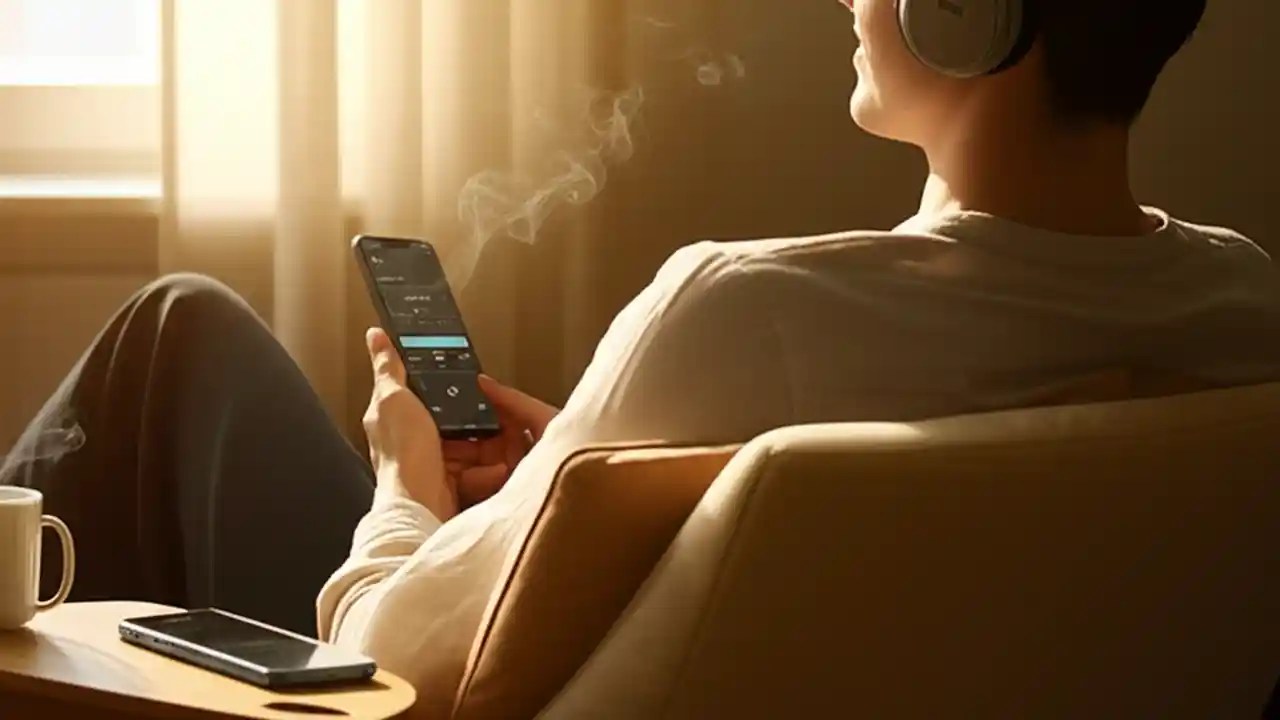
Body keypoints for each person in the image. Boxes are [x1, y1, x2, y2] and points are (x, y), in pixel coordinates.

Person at [4, 0, 1277, 715]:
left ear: (969, 11)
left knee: (167, 342)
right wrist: (584, 471)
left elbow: (382, 655)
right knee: (193, 331)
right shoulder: (1238, 306)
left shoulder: (743, 309)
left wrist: (402, 486)